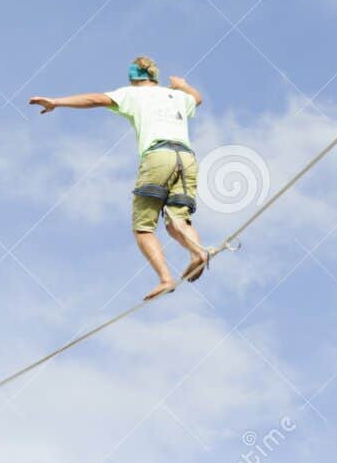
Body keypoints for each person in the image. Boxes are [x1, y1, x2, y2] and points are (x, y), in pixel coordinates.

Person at [29, 56, 209, 301]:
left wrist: (56, 102)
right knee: (177, 220)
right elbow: (197, 99)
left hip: (158, 156)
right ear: (154, 77)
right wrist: (183, 85)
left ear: (133, 78)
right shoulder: (175, 96)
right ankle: (198, 253)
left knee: (143, 228)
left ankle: (165, 279)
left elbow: (94, 99)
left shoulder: (131, 94)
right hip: (186, 158)